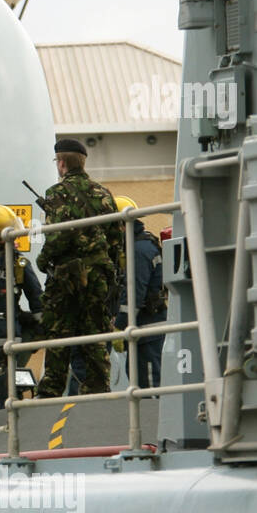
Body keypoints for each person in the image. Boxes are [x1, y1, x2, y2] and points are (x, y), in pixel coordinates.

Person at [35, 140, 123, 397]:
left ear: (61, 163)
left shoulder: (56, 193)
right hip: (99, 277)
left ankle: (51, 389)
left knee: (60, 333)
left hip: (66, 278)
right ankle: (97, 387)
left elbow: (56, 237)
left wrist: (42, 261)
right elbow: (116, 240)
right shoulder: (104, 193)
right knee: (95, 332)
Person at [0, 205, 43, 412]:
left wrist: (35, 326)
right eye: (6, 236)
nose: (11, 242)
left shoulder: (15, 263)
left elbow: (37, 300)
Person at [112, 196, 168, 388]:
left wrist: (119, 326)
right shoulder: (142, 245)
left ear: (120, 225)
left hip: (148, 329)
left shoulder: (138, 250)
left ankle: (151, 420)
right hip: (146, 329)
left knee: (150, 385)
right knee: (140, 380)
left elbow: (134, 292)